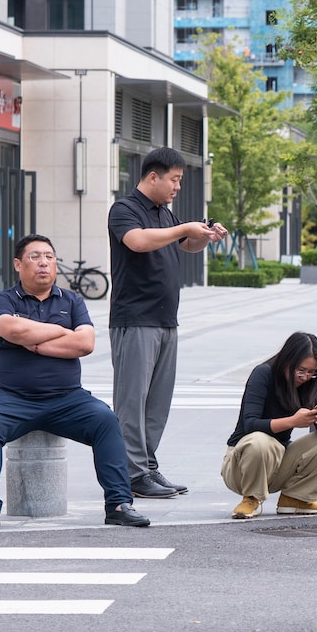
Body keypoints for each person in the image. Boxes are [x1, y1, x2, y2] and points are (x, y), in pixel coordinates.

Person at [0, 235, 149, 531]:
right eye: (35, 256)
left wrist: (34, 341)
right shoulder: (3, 299)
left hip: (68, 399)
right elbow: (10, 329)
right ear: (18, 264)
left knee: (105, 420)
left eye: (49, 257)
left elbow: (85, 343)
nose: (43, 263)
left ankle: (118, 504)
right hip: (13, 400)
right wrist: (60, 331)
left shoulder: (73, 300)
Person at [109, 147, 228, 500]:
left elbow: (185, 245)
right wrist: (182, 228)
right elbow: (137, 241)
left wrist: (202, 236)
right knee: (132, 402)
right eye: (174, 180)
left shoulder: (164, 213)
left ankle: (147, 466)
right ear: (153, 177)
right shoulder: (124, 209)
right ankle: (131, 473)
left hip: (165, 319)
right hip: (135, 319)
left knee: (158, 402)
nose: (177, 187)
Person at [221, 332, 317, 519]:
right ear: (287, 360)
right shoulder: (263, 374)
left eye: (312, 372)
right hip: (242, 465)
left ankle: (295, 498)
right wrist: (293, 421)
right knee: (260, 441)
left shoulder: (308, 383)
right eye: (301, 370)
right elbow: (250, 424)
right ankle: (251, 498)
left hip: (278, 461)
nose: (305, 377)